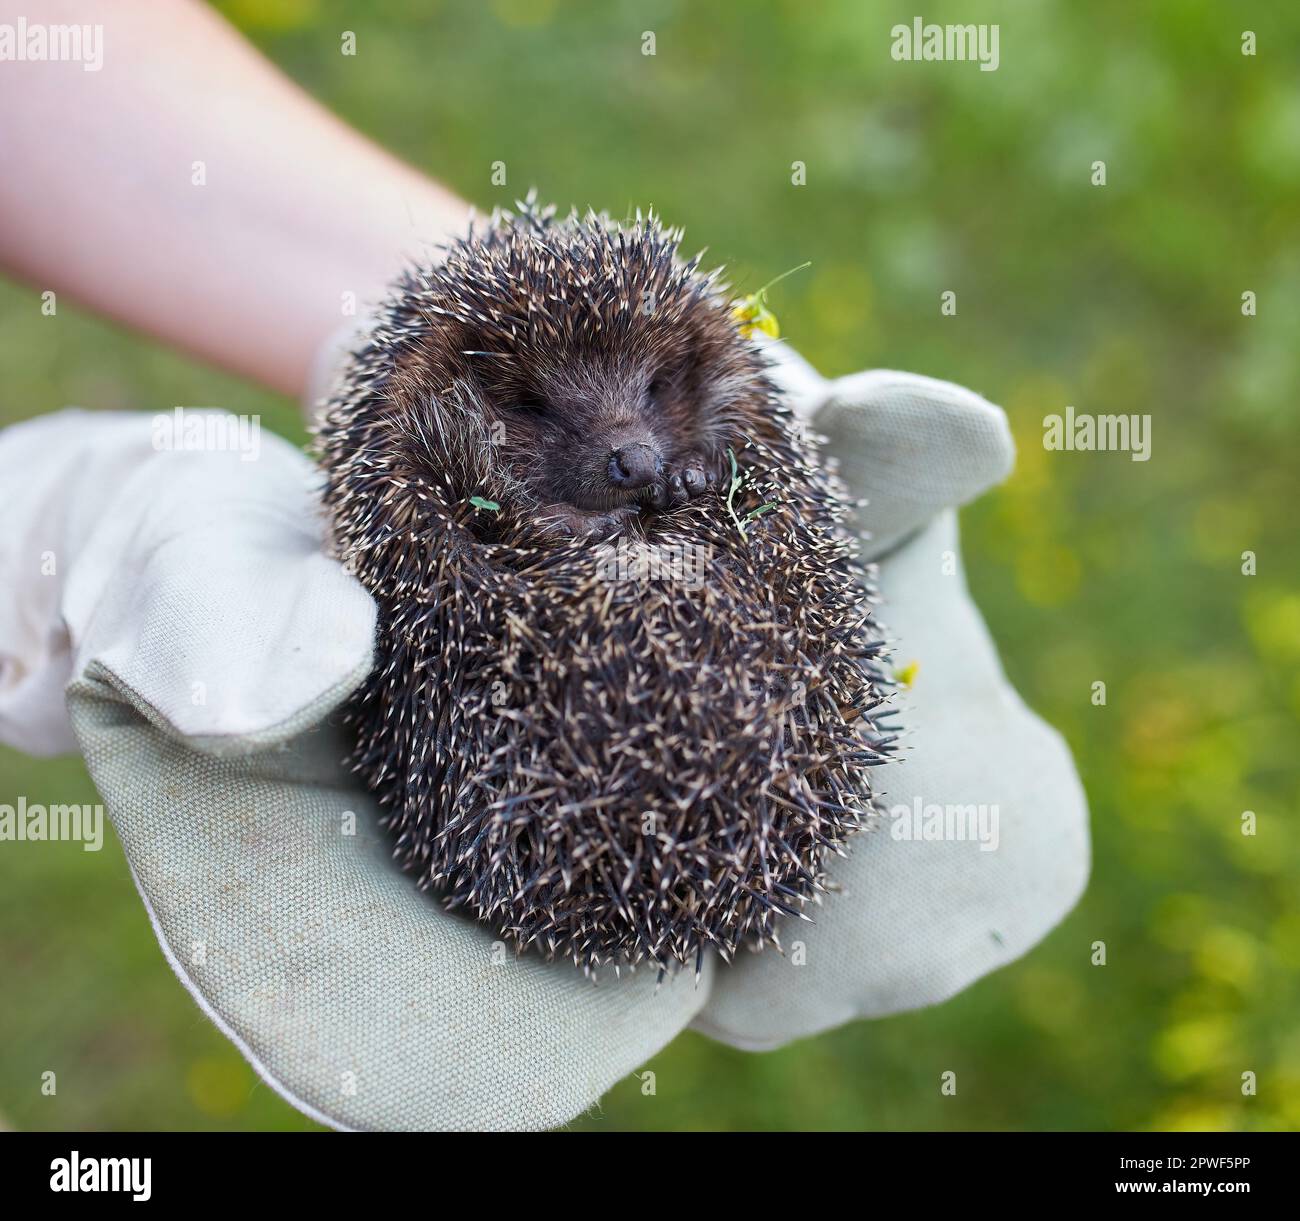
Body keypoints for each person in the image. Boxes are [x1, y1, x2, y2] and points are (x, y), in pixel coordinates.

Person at [0, 0, 1088, 1130]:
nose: (624, 444)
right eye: (534, 411)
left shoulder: (702, 405)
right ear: (450, 403)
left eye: (656, 394)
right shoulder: (424, 461)